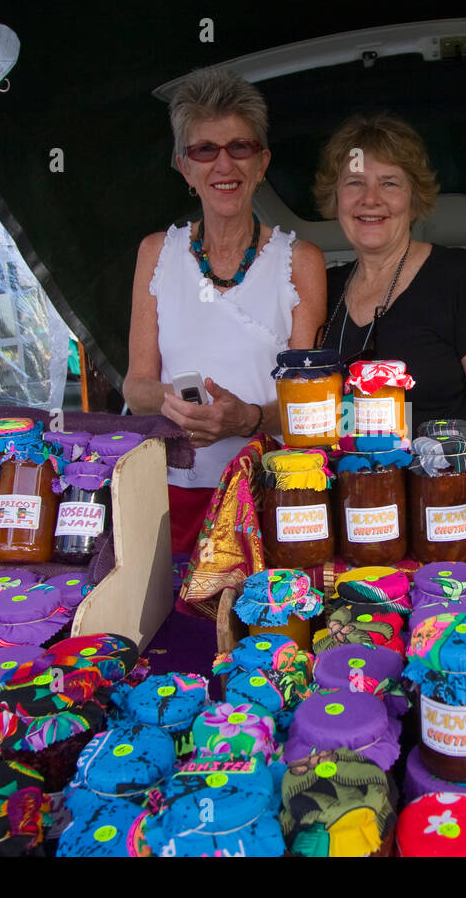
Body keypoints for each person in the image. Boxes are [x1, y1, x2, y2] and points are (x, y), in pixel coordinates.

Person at [124, 68, 326, 554]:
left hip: (270, 493)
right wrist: (176, 401)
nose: (224, 164)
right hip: (172, 493)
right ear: (184, 167)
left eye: (240, 147)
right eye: (204, 150)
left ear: (261, 163)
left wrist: (248, 419)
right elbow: (135, 385)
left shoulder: (301, 261)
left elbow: (313, 411)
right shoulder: (156, 252)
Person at [312, 112, 466, 428]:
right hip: (341, 476)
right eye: (355, 183)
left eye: (389, 183)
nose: (370, 199)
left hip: (441, 475)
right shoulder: (324, 288)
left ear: (413, 198)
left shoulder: (459, 277)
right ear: (335, 197)